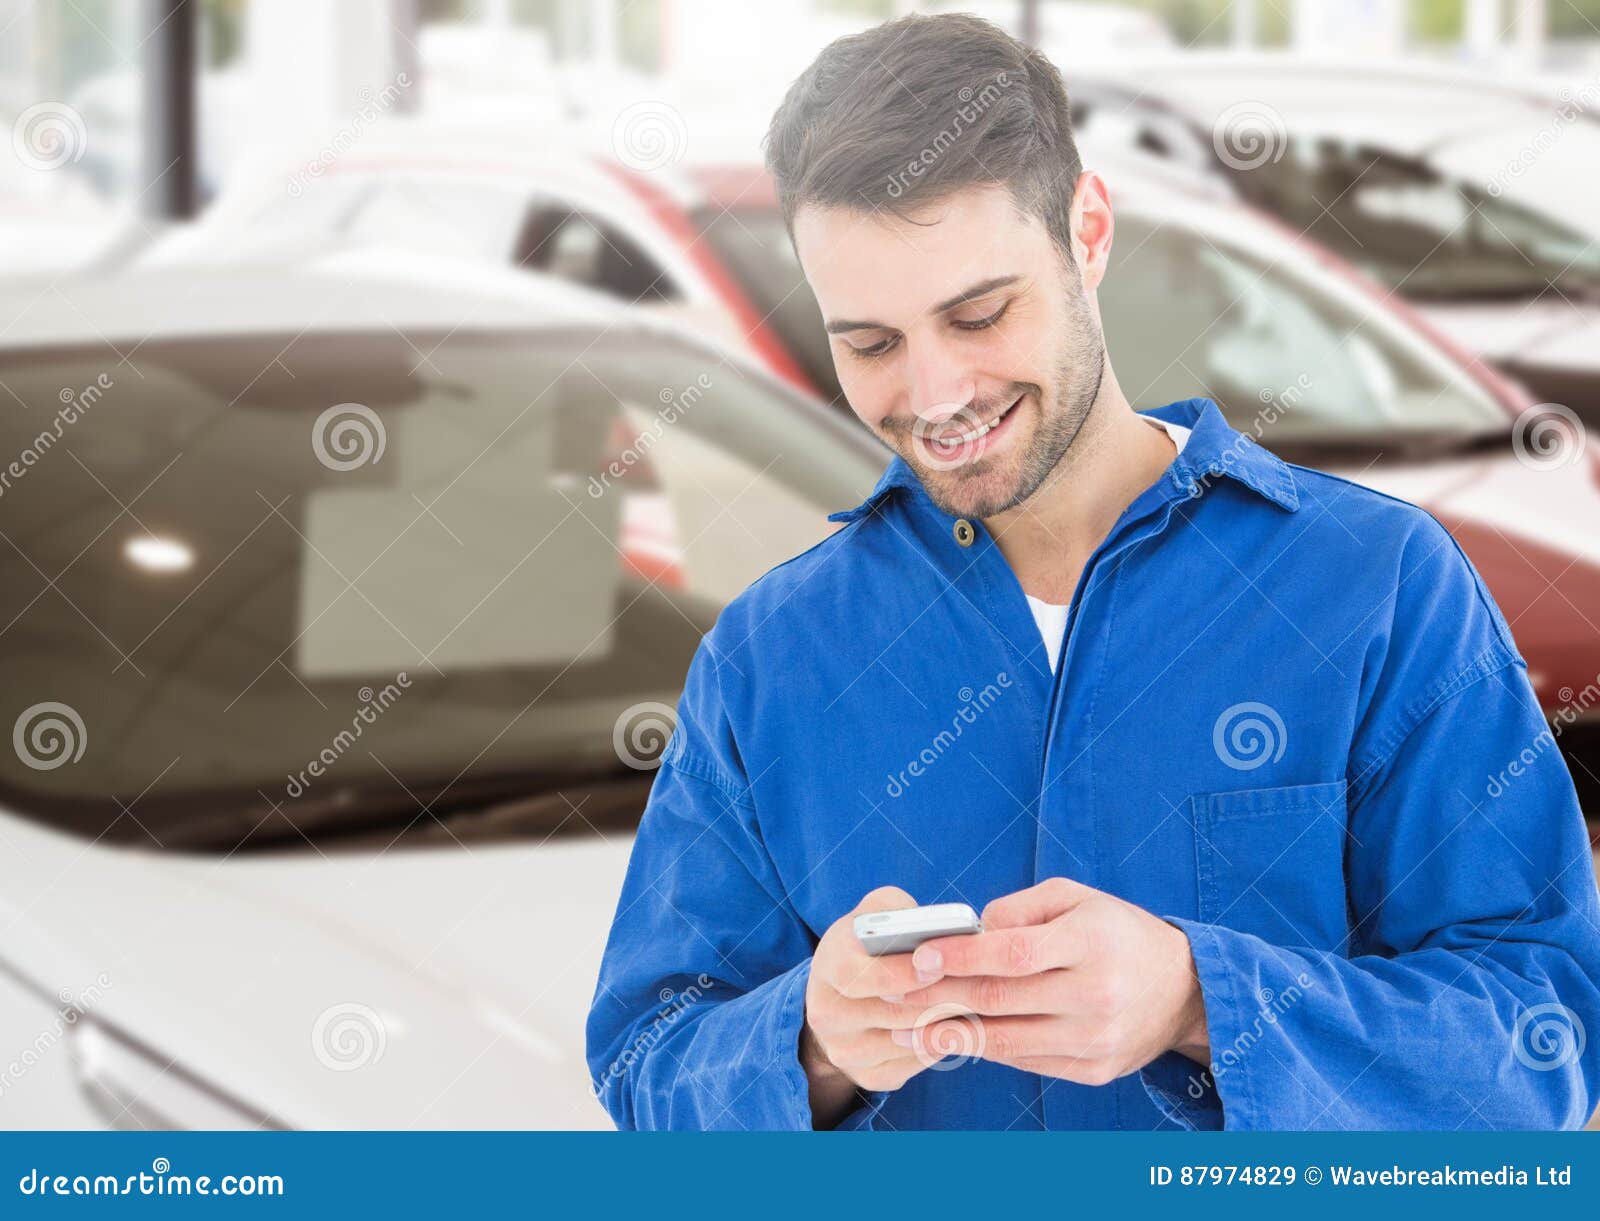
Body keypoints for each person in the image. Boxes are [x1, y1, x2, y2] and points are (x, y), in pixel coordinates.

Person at [585, 12, 1600, 1130]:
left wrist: (1201, 1002)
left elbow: (1544, 1035)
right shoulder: (769, 655)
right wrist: (813, 1045)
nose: (933, 394)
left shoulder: (1379, 587)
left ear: (1089, 231)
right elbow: (646, 1068)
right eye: (868, 343)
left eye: (978, 313)